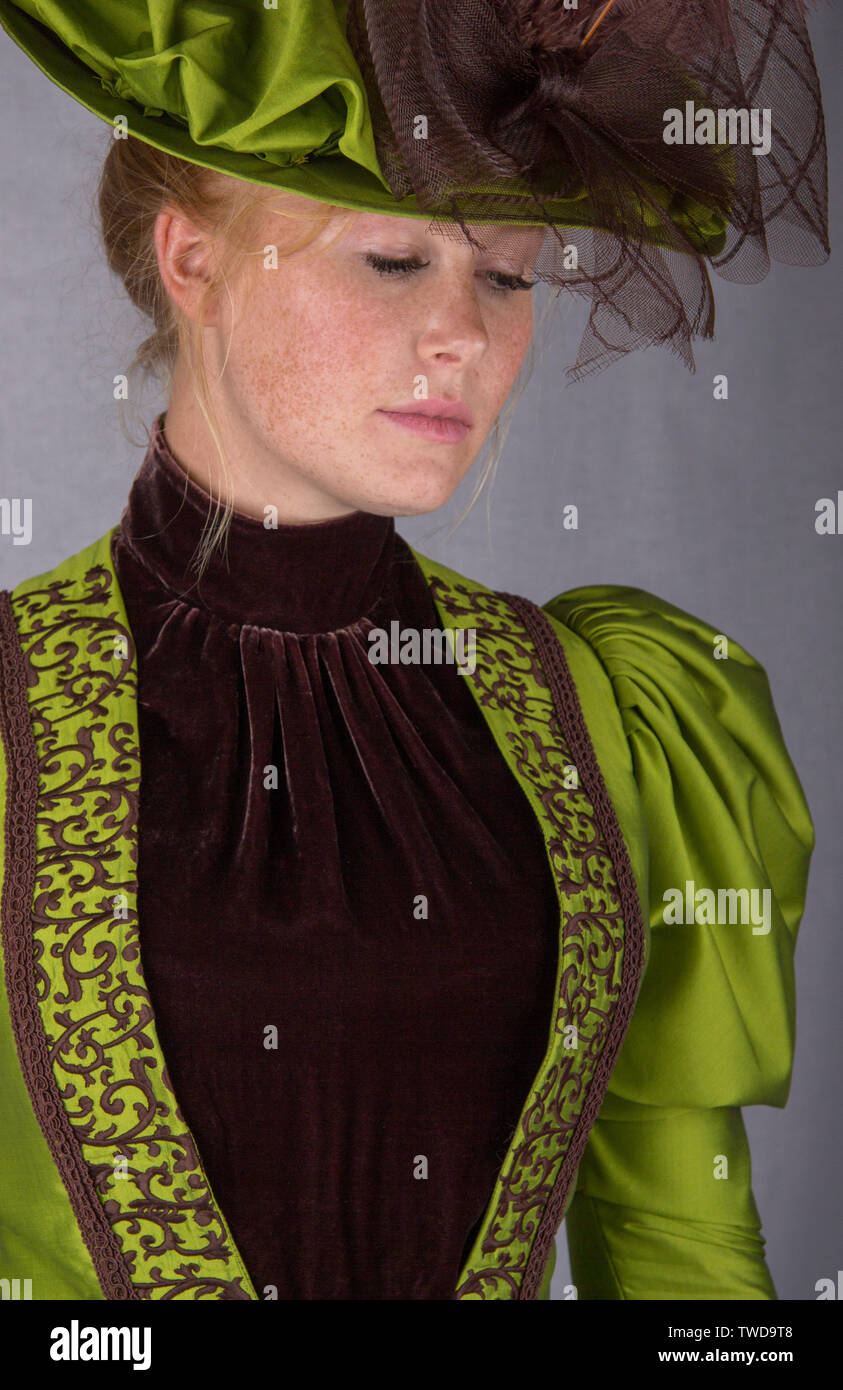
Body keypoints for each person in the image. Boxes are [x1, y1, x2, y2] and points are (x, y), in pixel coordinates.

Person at [0, 0, 829, 1301]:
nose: (466, 335)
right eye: (394, 262)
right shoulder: (11, 716)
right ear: (192, 260)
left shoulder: (619, 714)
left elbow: (687, 1265)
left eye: (503, 275)